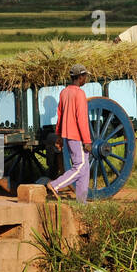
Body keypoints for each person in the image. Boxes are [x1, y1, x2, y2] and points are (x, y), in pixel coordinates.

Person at [47, 65, 93, 203]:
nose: (86, 79)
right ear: (80, 77)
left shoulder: (64, 92)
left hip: (68, 135)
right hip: (77, 136)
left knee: (84, 169)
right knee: (79, 167)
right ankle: (55, 185)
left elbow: (59, 116)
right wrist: (87, 140)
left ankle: (81, 202)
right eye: (85, 76)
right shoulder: (79, 94)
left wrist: (59, 136)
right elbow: (82, 119)